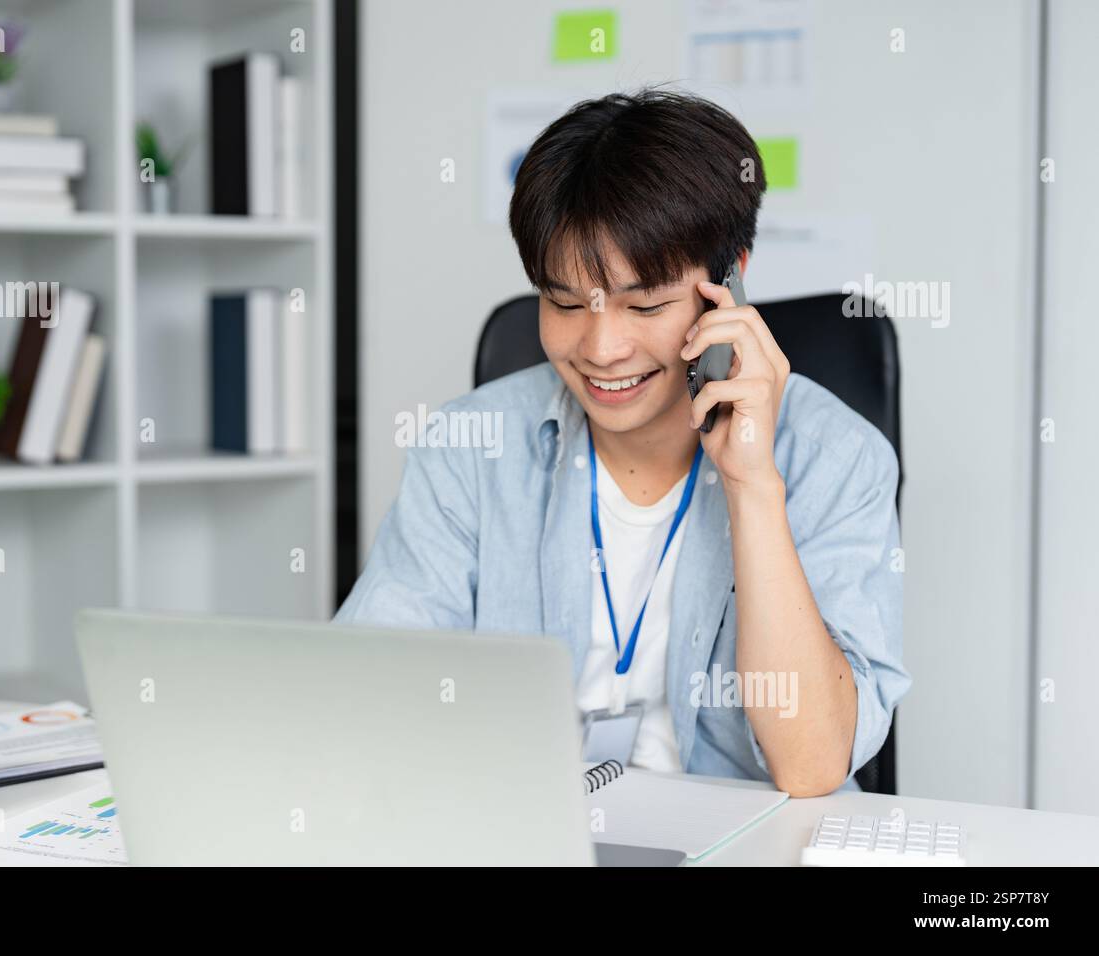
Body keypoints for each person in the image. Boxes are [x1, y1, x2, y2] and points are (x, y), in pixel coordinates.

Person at [337, 88, 910, 796]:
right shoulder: (469, 449)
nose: (602, 348)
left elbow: (812, 764)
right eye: (565, 304)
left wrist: (752, 487)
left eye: (646, 305)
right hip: (529, 835)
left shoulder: (836, 458)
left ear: (730, 281)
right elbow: (366, 700)